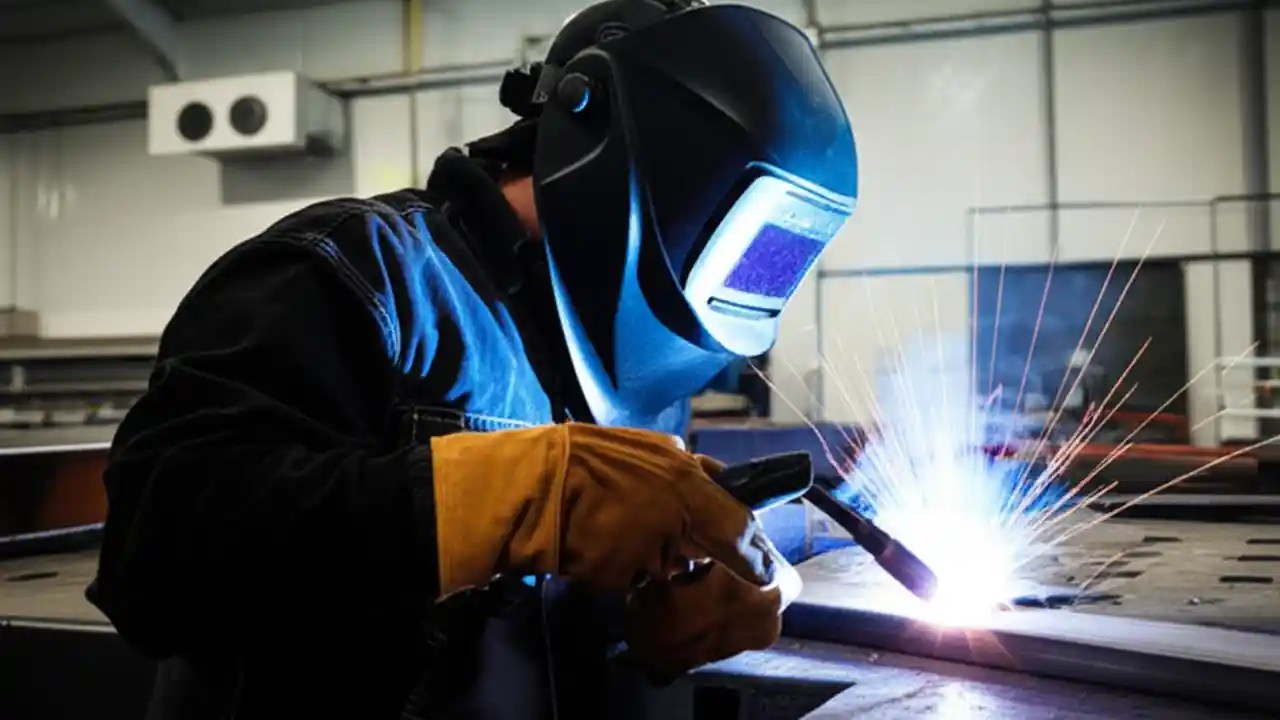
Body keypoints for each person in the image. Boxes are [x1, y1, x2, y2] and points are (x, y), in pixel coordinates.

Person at [87, 1, 858, 718]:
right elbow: (157, 555)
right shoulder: (365, 273)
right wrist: (496, 499)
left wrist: (663, 611)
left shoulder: (633, 373)